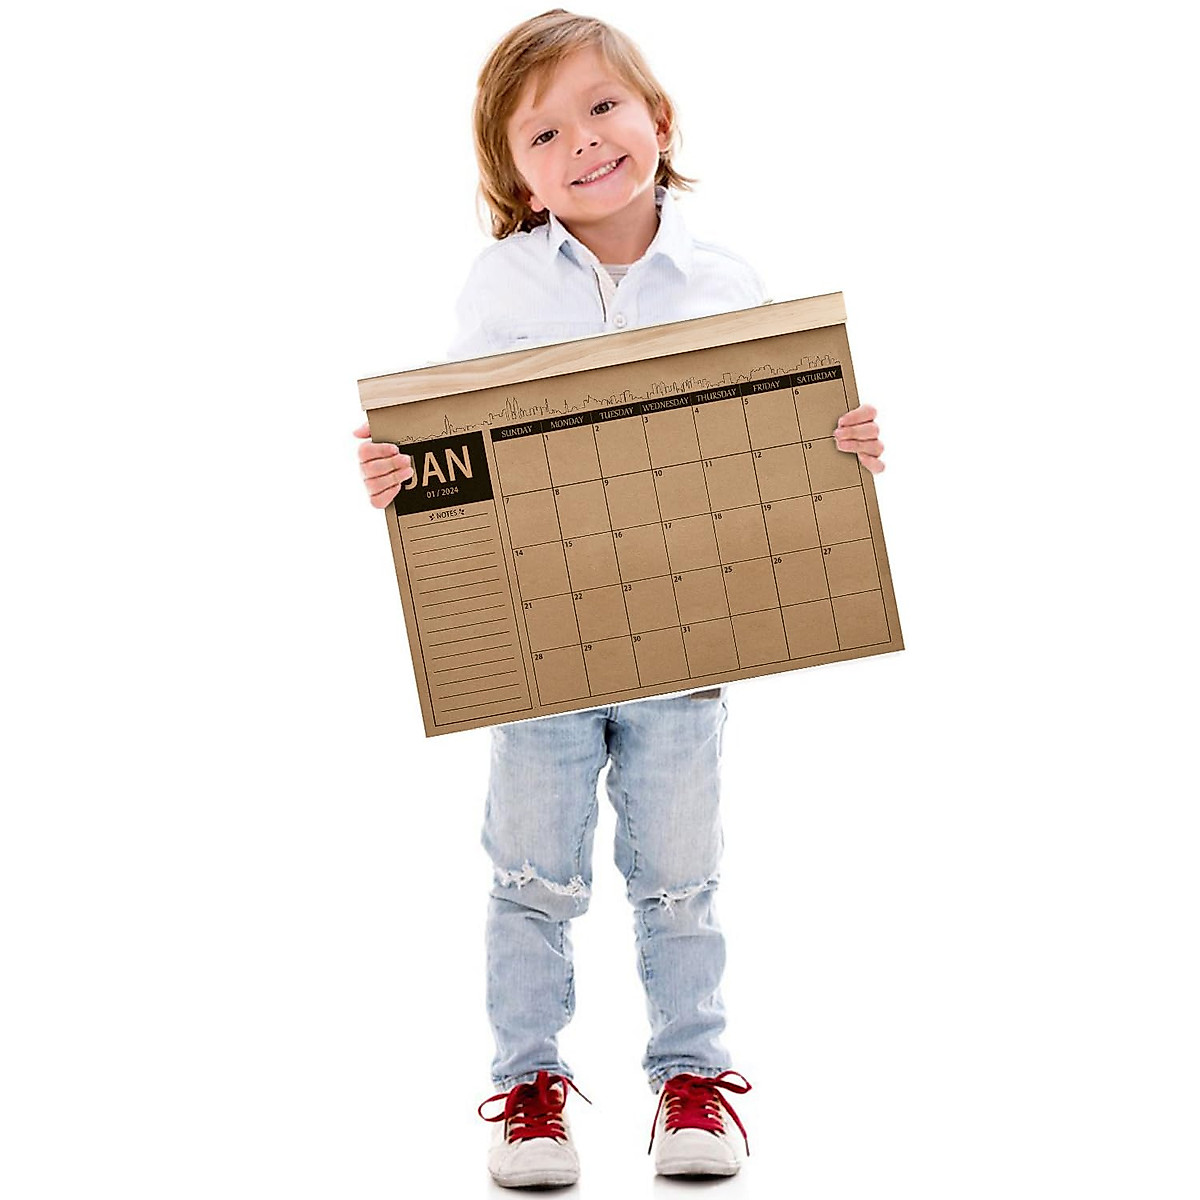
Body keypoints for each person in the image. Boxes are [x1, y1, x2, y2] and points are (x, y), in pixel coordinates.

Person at [354, 9, 885, 1188]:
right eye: (544, 133)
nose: (584, 141)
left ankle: (693, 1080)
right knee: (531, 877)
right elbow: (457, 451)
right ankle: (527, 1091)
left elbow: (770, 452)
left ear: (659, 120)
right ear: (517, 178)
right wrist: (401, 476)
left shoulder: (726, 281)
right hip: (542, 642)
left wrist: (837, 447)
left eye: (603, 107)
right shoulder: (499, 285)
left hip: (685, 642)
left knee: (682, 878)